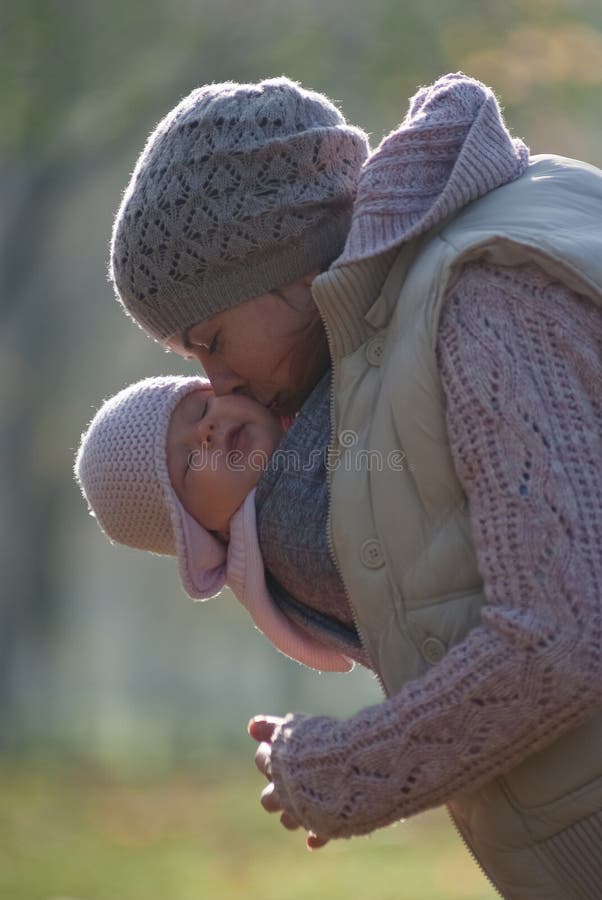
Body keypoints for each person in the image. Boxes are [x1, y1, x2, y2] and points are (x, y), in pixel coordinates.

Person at [107, 71, 602, 898]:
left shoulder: (477, 302)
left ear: (285, 269)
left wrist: (349, 769)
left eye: (214, 339)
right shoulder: (419, 317)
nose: (218, 382)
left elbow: (562, 634)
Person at [74, 374, 352, 673]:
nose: (204, 432)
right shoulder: (294, 531)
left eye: (202, 409)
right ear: (201, 533)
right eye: (190, 462)